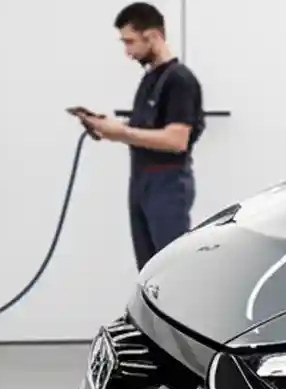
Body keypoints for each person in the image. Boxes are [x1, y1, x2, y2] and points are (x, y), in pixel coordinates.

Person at [80, 3, 205, 270]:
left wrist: (121, 132)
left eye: (130, 42)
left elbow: (176, 140)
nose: (127, 52)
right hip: (141, 181)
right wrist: (108, 128)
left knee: (170, 269)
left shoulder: (180, 81)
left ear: (153, 36)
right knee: (148, 270)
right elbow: (147, 129)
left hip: (167, 184)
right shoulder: (150, 79)